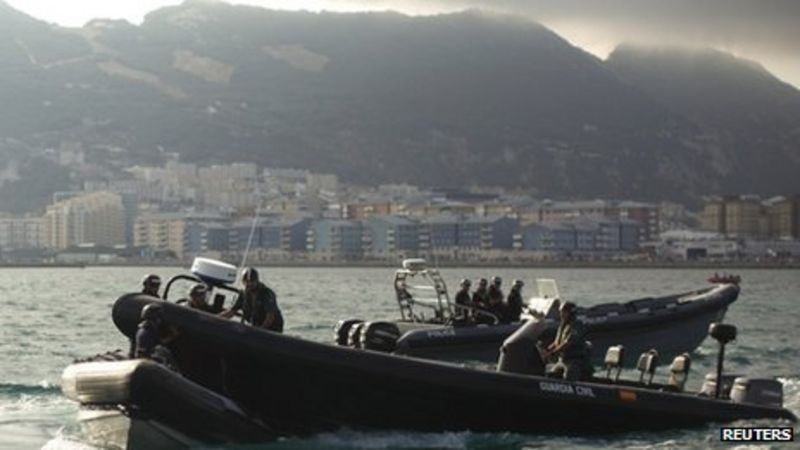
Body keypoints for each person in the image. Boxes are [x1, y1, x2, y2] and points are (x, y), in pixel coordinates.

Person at [222, 267, 284, 332]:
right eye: (246, 282)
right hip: (255, 326)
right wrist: (215, 319)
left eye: (251, 281)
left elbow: (270, 317)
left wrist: (260, 331)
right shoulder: (243, 294)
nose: (249, 284)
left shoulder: (267, 294)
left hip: (272, 329)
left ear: (257, 281)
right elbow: (231, 312)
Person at [542, 301, 588, 381]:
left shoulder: (577, 325)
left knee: (569, 378)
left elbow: (568, 342)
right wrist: (546, 349)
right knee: (550, 375)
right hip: (562, 360)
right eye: (561, 312)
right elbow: (556, 342)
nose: (561, 314)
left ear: (570, 313)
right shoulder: (562, 325)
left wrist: (554, 352)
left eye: (564, 312)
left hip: (574, 361)